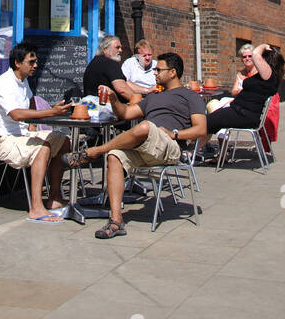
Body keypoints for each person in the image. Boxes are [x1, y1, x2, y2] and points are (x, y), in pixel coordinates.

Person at [68, 51, 207, 239]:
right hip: (145, 147)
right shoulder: (152, 97)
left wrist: (175, 133)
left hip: (170, 147)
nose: (155, 73)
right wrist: (114, 99)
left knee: (144, 126)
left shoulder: (190, 96)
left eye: (159, 70)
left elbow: (201, 129)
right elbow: (125, 114)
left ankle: (93, 151)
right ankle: (116, 221)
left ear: (173, 72)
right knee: (115, 155)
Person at [0, 41, 74, 222]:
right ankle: (36, 207)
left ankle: (54, 197)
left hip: (22, 135)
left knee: (63, 141)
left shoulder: (23, 82)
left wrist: (33, 128)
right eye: (31, 62)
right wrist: (51, 112)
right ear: (17, 63)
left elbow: (31, 102)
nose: (35, 66)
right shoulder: (4, 84)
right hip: (3, 138)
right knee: (43, 147)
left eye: (36, 61)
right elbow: (16, 114)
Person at [202, 43, 282, 156]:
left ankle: (186, 146)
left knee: (205, 123)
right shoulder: (266, 76)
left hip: (244, 115)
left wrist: (263, 46)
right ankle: (191, 152)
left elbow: (255, 54)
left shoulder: (268, 74)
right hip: (241, 112)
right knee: (209, 122)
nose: (250, 59)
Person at [82, 35, 138, 103]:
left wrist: (147, 90)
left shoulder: (95, 62)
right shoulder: (110, 63)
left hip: (92, 107)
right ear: (105, 49)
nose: (121, 50)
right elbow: (122, 89)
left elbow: (125, 83)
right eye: (117, 47)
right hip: (107, 109)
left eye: (120, 47)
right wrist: (142, 104)